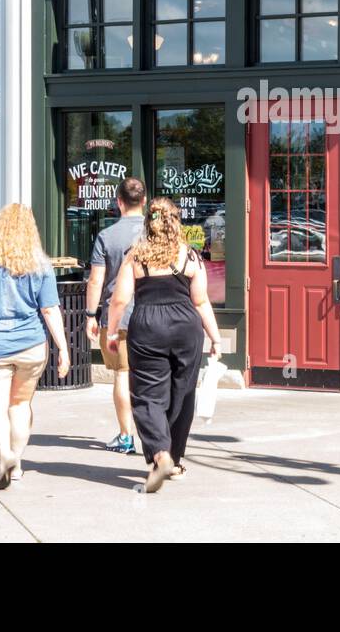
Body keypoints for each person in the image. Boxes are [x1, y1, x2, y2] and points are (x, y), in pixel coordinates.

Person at [106, 197, 222, 493]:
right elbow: (201, 300)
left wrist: (110, 331)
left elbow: (119, 299)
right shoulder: (190, 257)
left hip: (147, 326)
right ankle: (176, 460)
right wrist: (216, 337)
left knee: (147, 395)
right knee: (182, 395)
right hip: (186, 327)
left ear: (149, 223)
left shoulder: (136, 257)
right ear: (176, 222)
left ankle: (160, 454)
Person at [0, 203, 69, 490]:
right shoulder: (41, 263)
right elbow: (50, 310)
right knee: (20, 404)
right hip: (31, 345)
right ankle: (17, 462)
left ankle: (4, 455)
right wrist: (64, 349)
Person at [84, 177, 147, 454]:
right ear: (144, 201)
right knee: (152, 377)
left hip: (117, 318)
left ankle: (126, 436)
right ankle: (158, 437)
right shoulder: (157, 233)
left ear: (119, 202)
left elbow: (96, 281)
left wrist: (90, 315)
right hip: (154, 316)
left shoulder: (106, 237)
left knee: (122, 375)